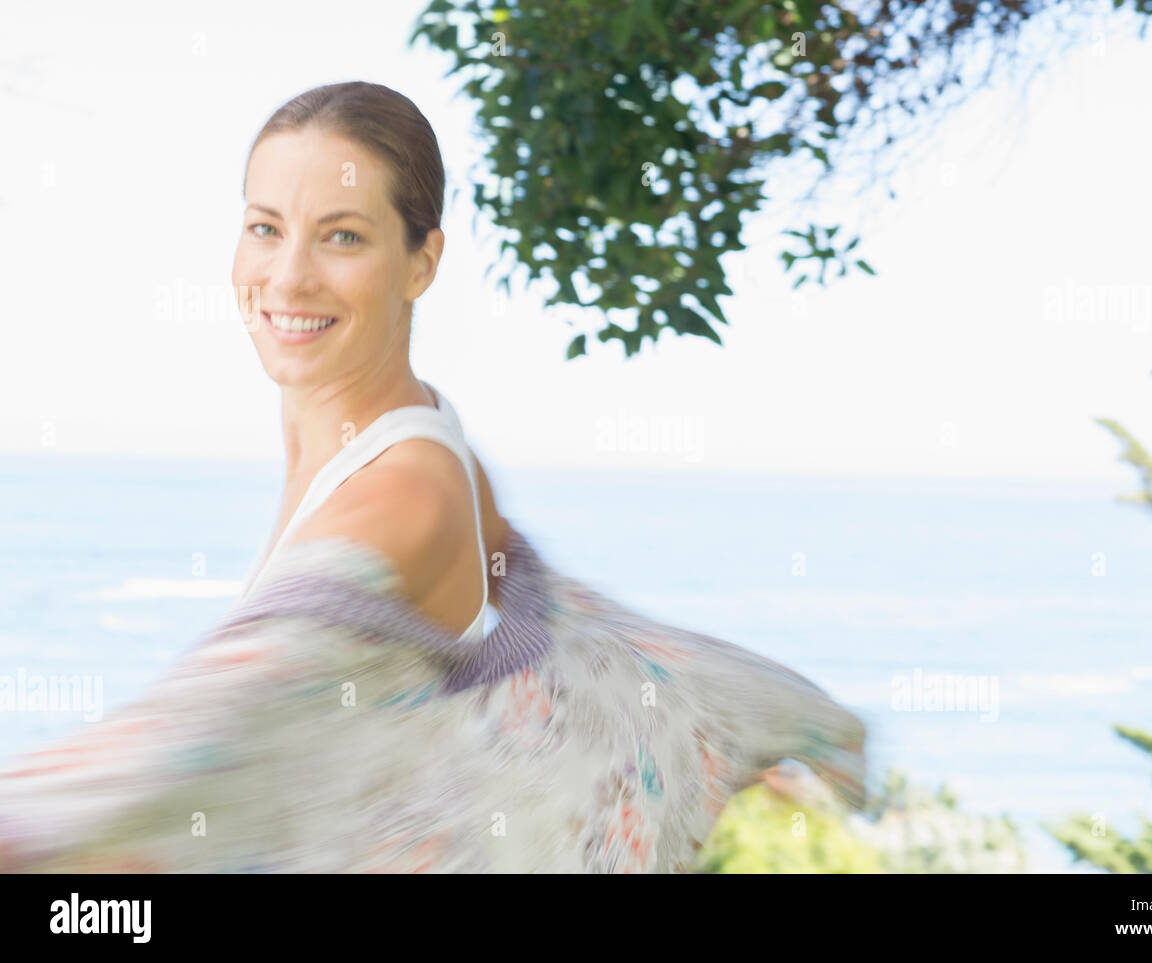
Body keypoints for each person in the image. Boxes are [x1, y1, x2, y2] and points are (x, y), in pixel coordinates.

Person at [0, 82, 867, 873]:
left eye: (342, 236)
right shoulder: (418, 439)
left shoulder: (405, 491)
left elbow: (186, 741)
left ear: (422, 262)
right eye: (266, 227)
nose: (288, 275)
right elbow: (567, 632)